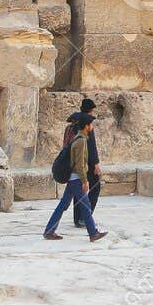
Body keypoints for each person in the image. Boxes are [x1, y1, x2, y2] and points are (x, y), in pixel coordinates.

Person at [44, 114, 106, 242]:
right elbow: (80, 164)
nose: (92, 127)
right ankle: (93, 233)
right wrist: (84, 181)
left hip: (73, 178)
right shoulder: (81, 141)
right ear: (86, 126)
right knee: (85, 205)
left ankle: (49, 230)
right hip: (76, 179)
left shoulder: (78, 139)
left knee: (63, 205)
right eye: (91, 124)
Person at [66, 97, 104, 228]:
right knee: (95, 187)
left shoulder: (73, 122)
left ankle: (78, 219)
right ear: (91, 110)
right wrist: (96, 164)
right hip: (86, 163)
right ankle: (85, 217)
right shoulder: (86, 123)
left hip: (74, 162)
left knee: (78, 191)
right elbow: (91, 146)